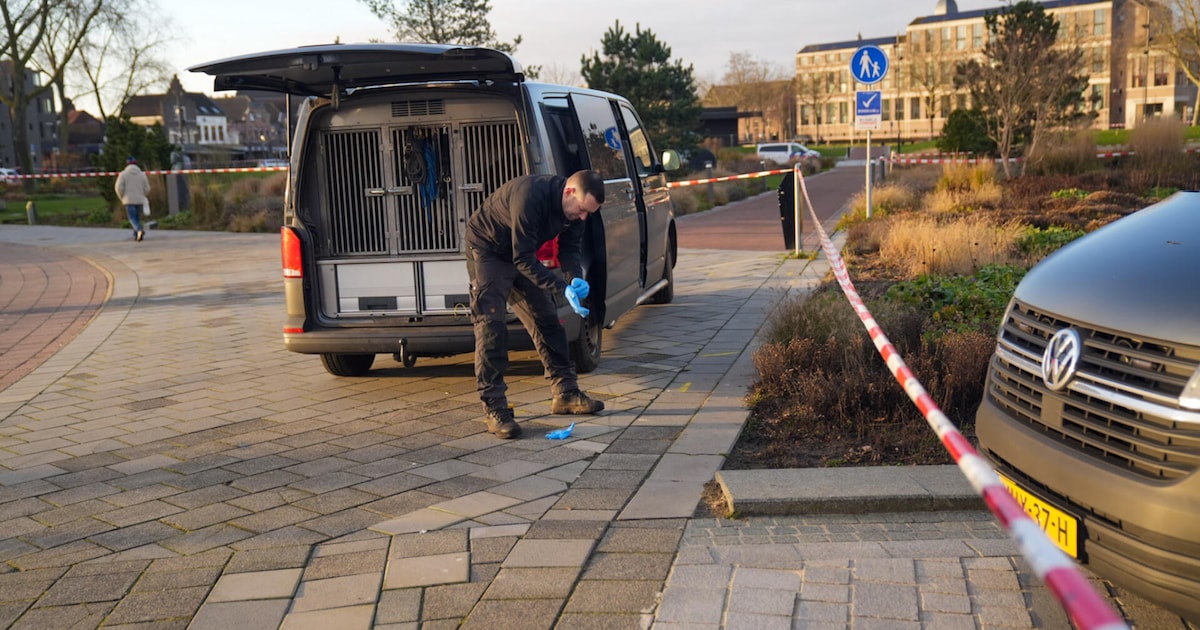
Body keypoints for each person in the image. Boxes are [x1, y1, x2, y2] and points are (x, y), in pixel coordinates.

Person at [465, 169, 607, 439]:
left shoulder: (577, 211)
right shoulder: (530, 196)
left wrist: (574, 278)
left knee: (547, 318)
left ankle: (565, 392)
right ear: (569, 192)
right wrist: (561, 288)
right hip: (489, 249)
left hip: (521, 253)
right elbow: (522, 259)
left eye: (588, 213)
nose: (583, 217)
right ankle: (494, 408)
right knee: (491, 326)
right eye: (581, 210)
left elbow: (570, 249)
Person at [115, 156, 150, 241]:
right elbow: (147, 188)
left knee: (131, 218)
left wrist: (122, 196)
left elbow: (118, 188)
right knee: (137, 218)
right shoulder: (142, 174)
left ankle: (139, 230)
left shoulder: (123, 174)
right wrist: (143, 195)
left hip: (128, 200)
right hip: (139, 199)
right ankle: (136, 235)